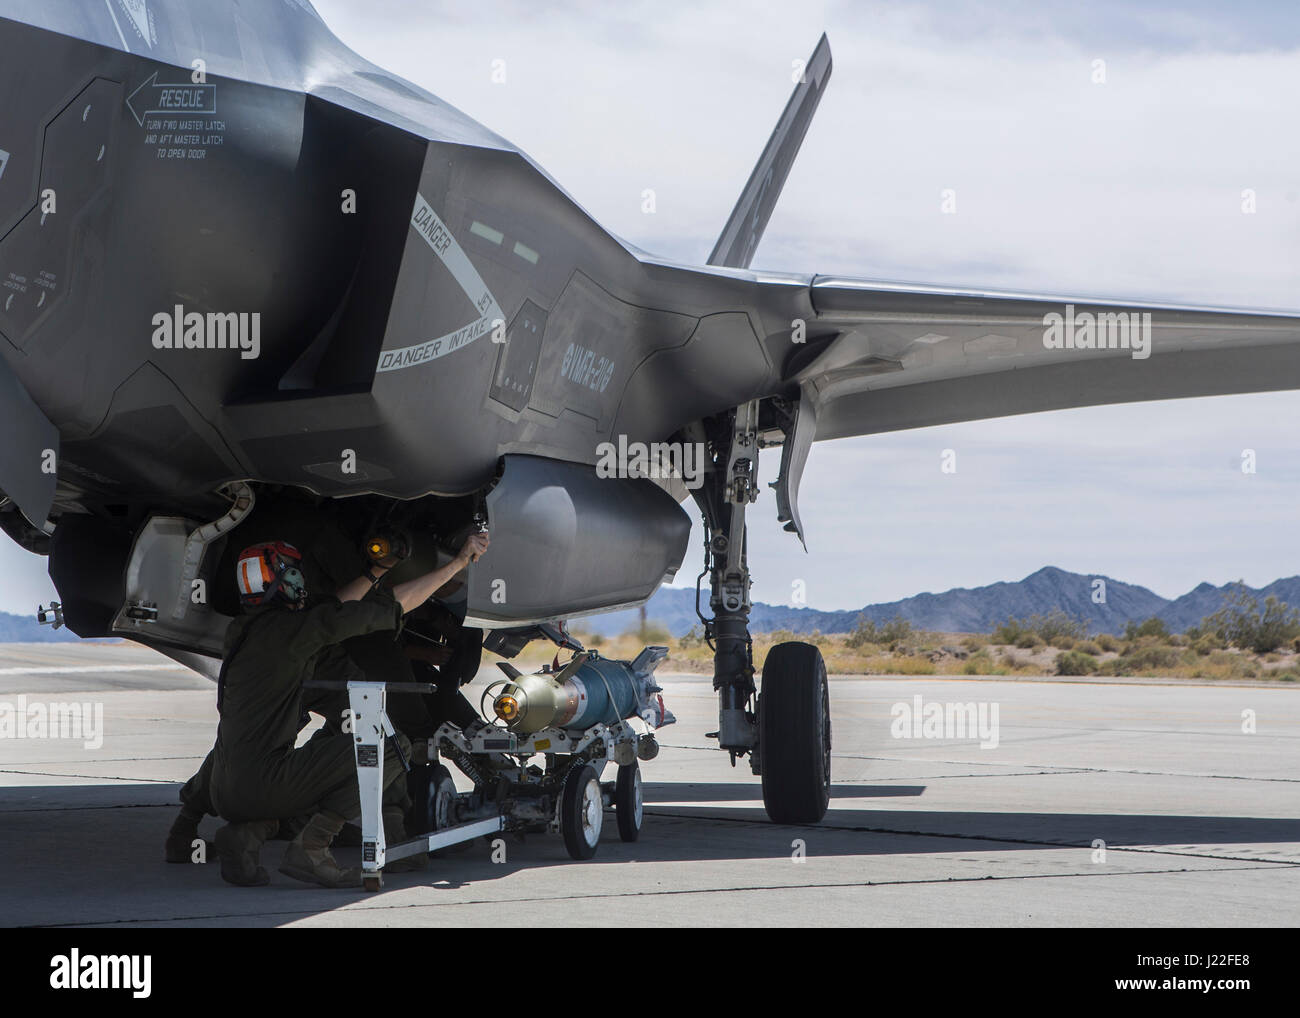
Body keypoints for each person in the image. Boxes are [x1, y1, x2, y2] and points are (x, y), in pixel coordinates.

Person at [208, 530, 489, 888]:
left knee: (329, 743)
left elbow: (332, 612)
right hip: (264, 784)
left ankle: (246, 834)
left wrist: (377, 570)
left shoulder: (245, 631)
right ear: (279, 579)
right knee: (390, 746)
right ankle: (312, 847)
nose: (301, 577)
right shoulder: (294, 633)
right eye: (293, 571)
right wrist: (459, 563)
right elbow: (391, 606)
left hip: (224, 790)